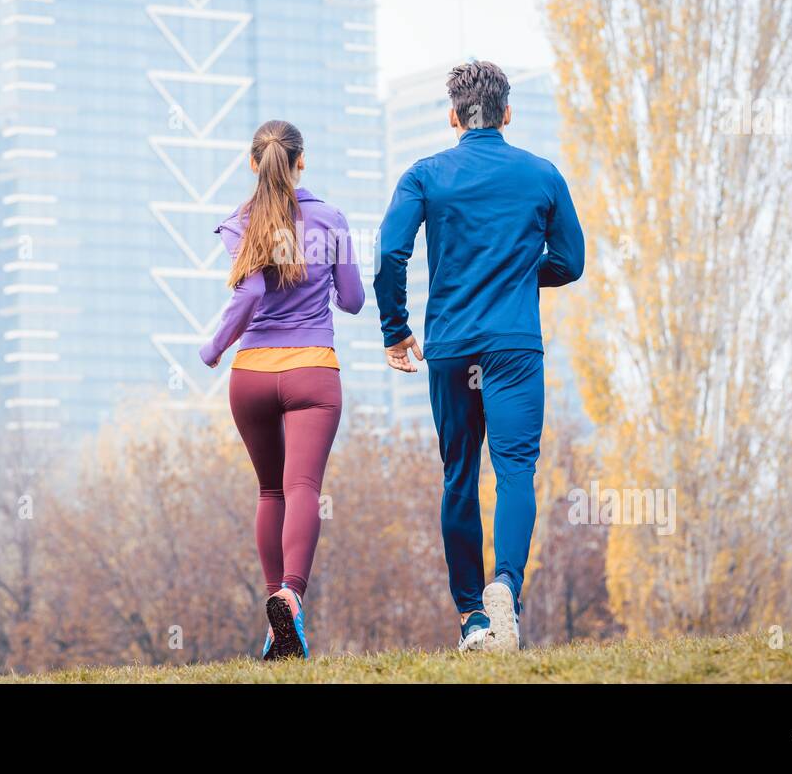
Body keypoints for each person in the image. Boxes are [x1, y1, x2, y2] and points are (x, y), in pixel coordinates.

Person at [373, 61, 585, 652]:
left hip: (451, 348)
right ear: (507, 113)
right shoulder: (542, 174)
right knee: (516, 471)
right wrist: (517, 276)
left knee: (460, 476)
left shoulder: (426, 175)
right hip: (515, 346)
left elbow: (390, 252)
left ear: (453, 117)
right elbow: (571, 261)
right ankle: (506, 590)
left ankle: (471, 616)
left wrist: (396, 329)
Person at [200, 119, 365, 660]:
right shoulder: (331, 219)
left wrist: (215, 346)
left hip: (251, 376)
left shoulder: (240, 223)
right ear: (302, 161)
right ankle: (290, 596)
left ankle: (277, 623)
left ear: (254, 163)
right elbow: (354, 299)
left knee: (270, 491)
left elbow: (247, 294)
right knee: (302, 488)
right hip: (312, 372)